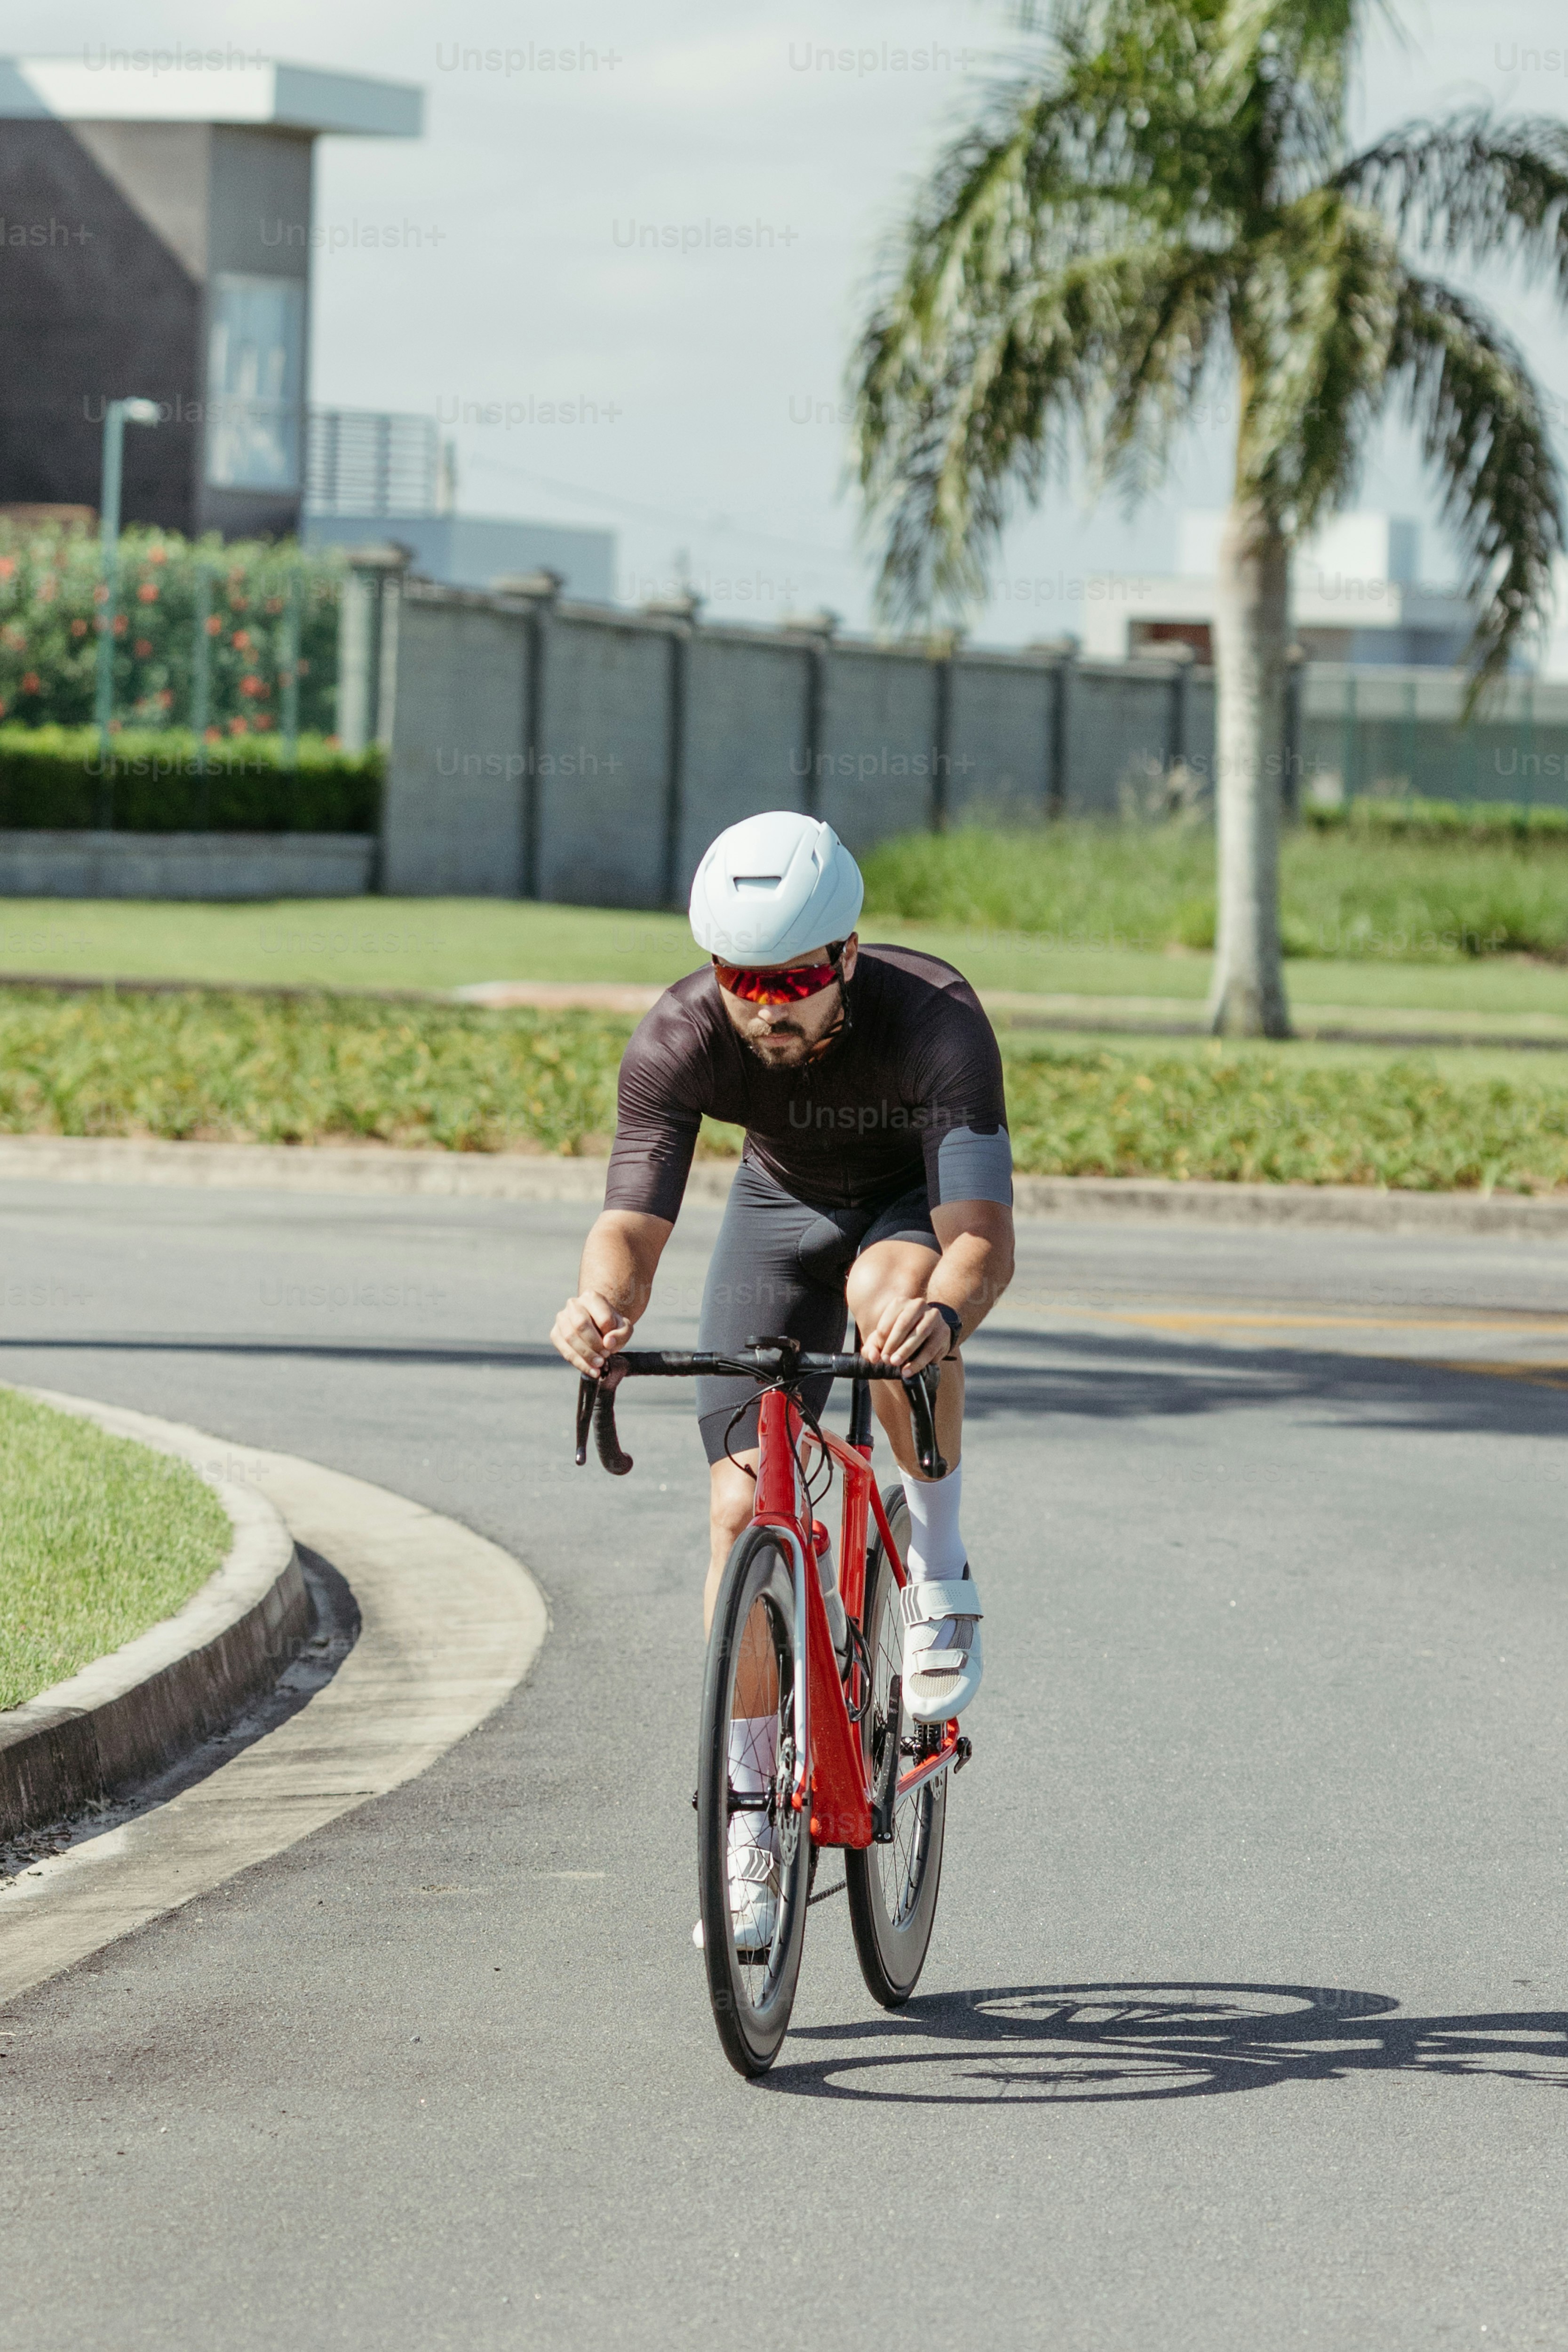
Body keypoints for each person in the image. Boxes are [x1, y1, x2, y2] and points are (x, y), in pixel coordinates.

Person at [550, 810, 1015, 1940]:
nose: (765, 1005)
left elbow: (981, 1241)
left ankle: (937, 1562)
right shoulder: (678, 1035)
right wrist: (601, 1305)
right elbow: (629, 1224)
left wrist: (940, 1315)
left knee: (886, 1301)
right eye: (740, 979)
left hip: (910, 1208)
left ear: (846, 955)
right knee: (731, 1505)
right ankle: (751, 1810)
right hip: (780, 1210)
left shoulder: (936, 1018)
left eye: (794, 978)